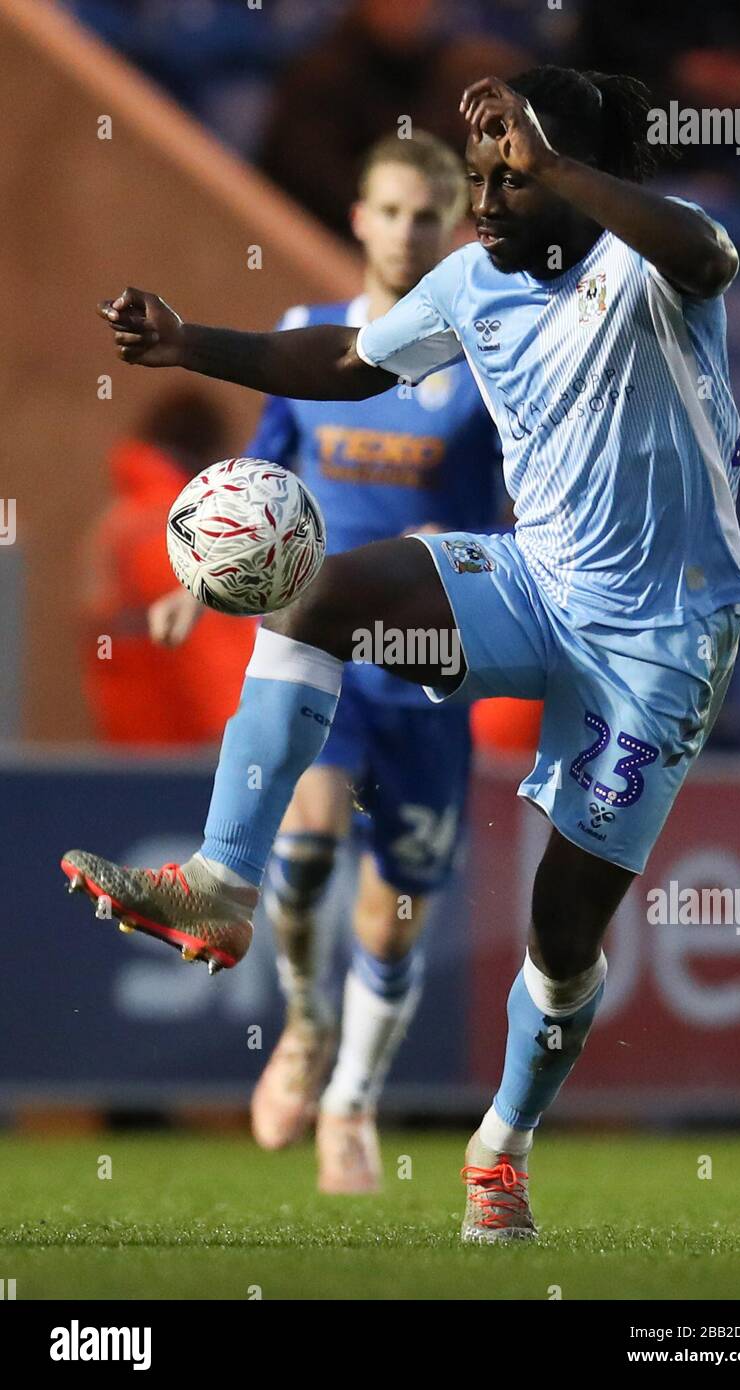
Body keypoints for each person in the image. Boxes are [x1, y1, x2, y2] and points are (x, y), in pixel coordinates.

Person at [65, 65, 740, 1242]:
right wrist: (193, 344)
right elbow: (346, 364)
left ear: (566, 172)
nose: (483, 194)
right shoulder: (471, 282)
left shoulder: (646, 269)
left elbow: (710, 255)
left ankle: (500, 1147)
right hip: (535, 584)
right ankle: (225, 880)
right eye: (476, 170)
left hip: (662, 642)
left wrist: (556, 164)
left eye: (507, 173)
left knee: (562, 932)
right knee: (311, 594)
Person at [147, 131, 502, 1193]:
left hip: (435, 658)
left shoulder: (479, 350)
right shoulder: (307, 338)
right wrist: (193, 579)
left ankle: (350, 1099)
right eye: (390, 210)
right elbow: (257, 481)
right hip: (316, 636)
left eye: (427, 214)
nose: (407, 231)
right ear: (358, 217)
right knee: (302, 843)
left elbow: (524, 499)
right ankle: (303, 1024)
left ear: (450, 226)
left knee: (390, 912)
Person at [77, 389, 255, 746]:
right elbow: (203, 647)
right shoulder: (175, 528)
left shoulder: (124, 521)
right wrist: (240, 739)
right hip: (191, 757)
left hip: (146, 752)